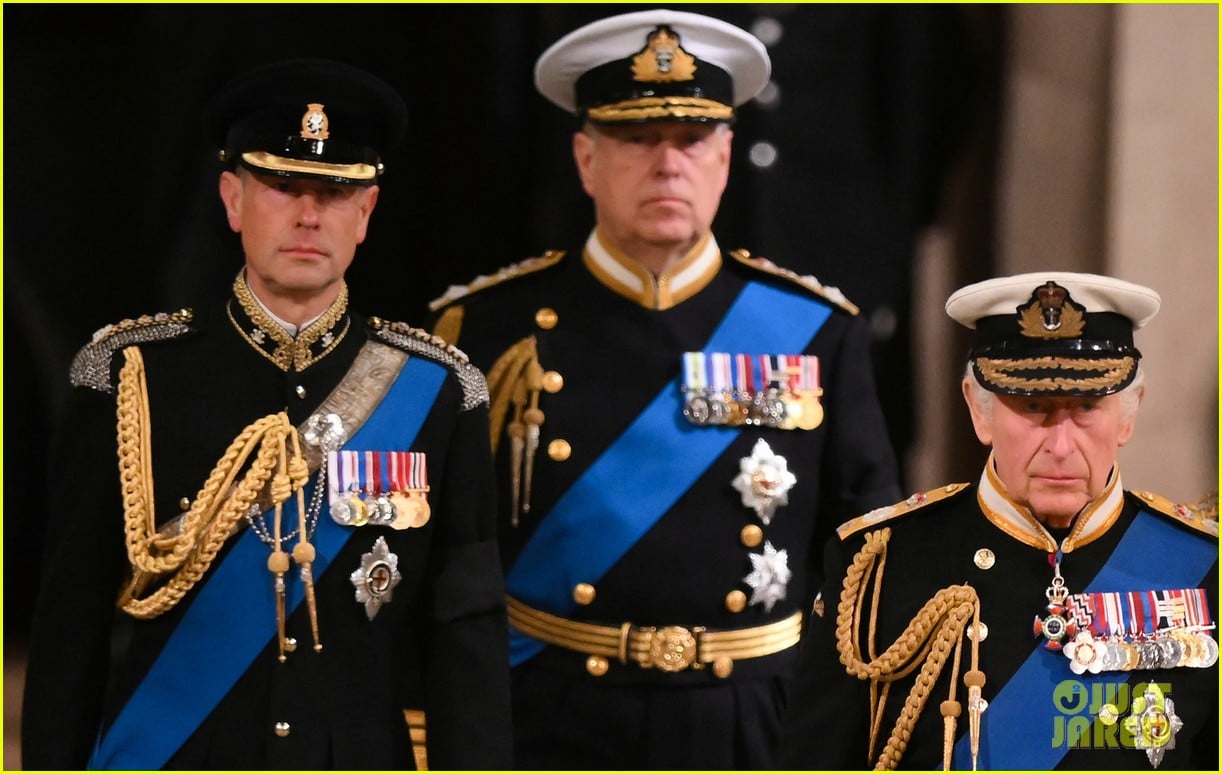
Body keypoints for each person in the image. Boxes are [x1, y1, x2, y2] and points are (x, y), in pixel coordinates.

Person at [426, 9, 901, 769]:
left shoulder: (813, 332)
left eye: (692, 140)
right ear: (585, 159)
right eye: (638, 139)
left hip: (755, 726)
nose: (668, 164)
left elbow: (870, 568)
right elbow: (447, 569)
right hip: (550, 719)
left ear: (726, 156)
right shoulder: (484, 330)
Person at [20, 58, 512, 770]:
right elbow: (71, 632)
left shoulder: (439, 389)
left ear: (367, 213)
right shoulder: (129, 378)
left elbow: (465, 637)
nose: (309, 214)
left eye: (336, 192)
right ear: (232, 199)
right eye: (282, 186)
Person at [778, 271, 1218, 770]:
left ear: (1129, 412)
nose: (1059, 446)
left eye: (1088, 407)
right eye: (1032, 407)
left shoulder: (1202, 567)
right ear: (978, 409)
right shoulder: (878, 567)